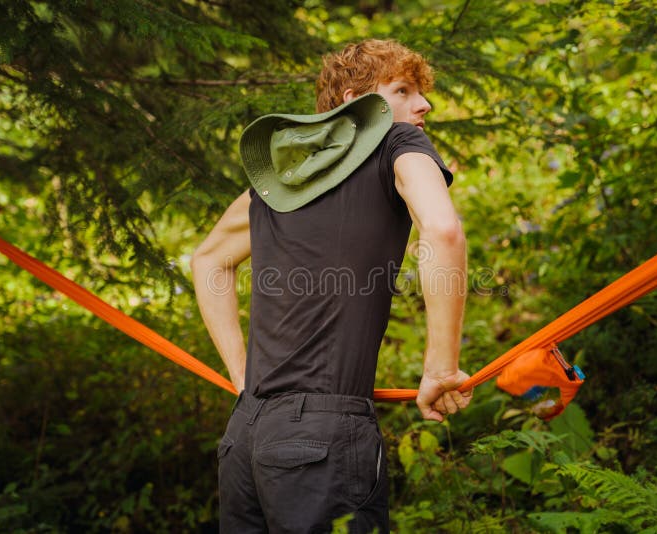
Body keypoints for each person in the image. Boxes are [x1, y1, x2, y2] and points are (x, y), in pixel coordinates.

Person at [191, 39, 472, 534]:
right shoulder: (397, 140)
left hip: (247, 436)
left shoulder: (285, 176)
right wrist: (442, 368)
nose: (423, 104)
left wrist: (243, 379)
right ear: (352, 101)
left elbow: (209, 259)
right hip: (321, 440)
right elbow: (444, 231)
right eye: (403, 90)